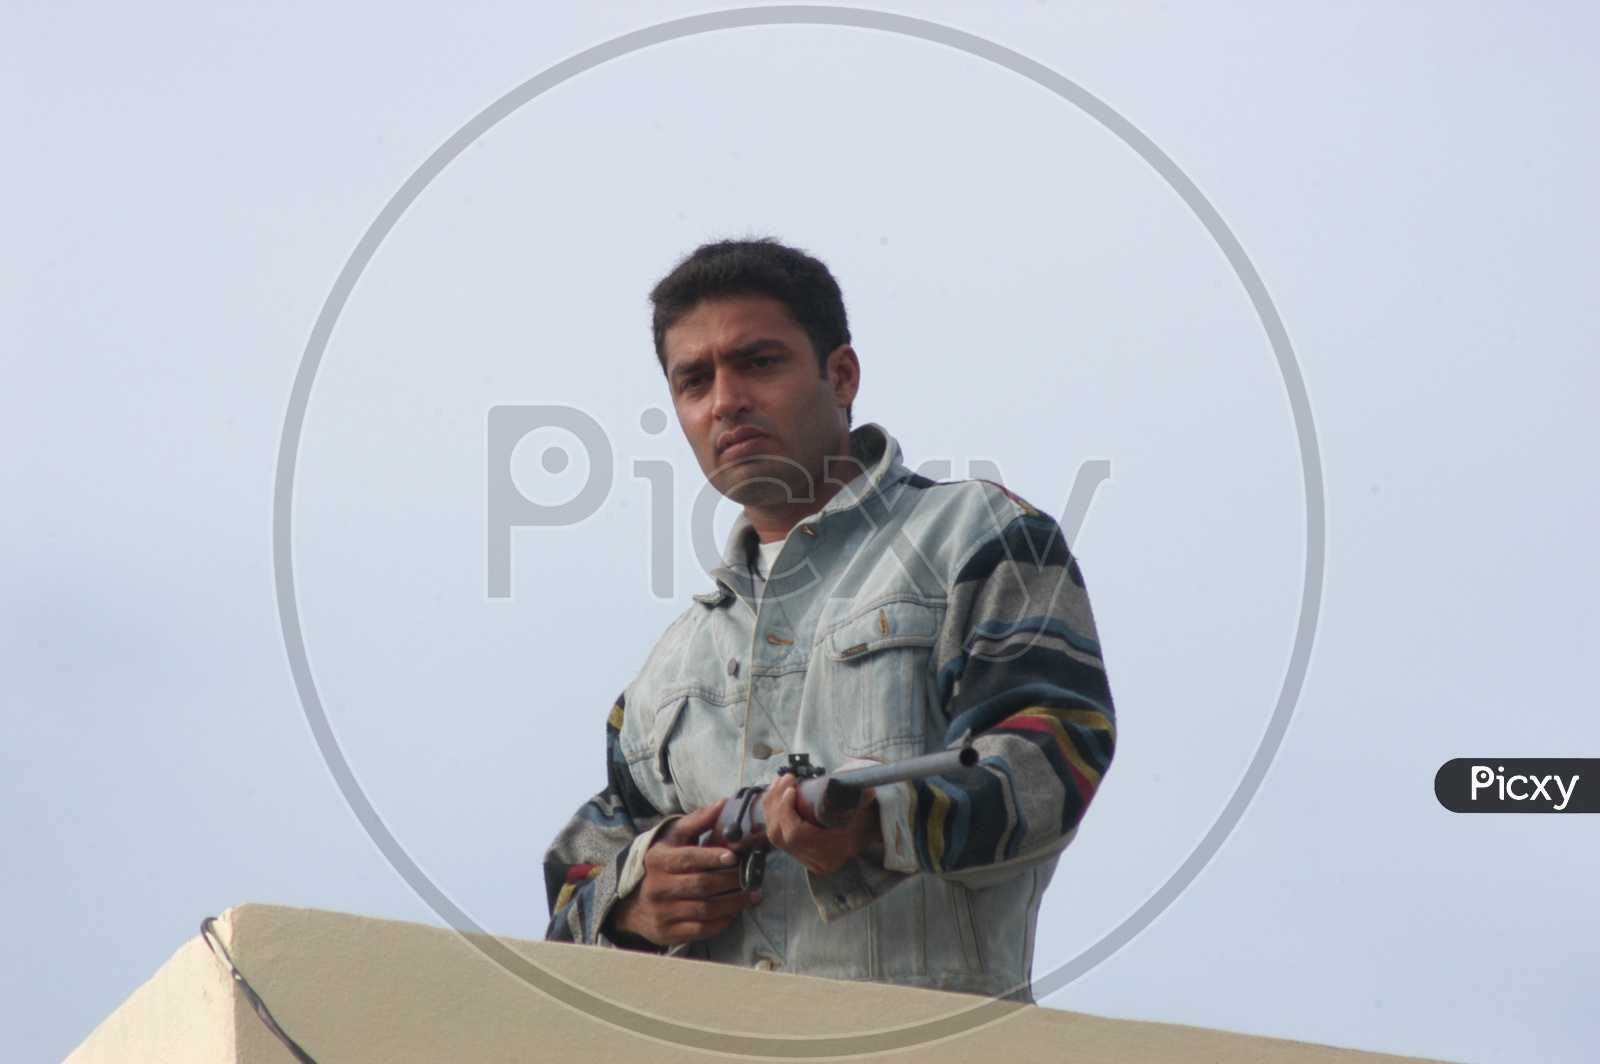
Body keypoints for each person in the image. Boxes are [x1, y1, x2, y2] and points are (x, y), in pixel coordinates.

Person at [544, 238, 1115, 999]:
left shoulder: (980, 538)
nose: (725, 401)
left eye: (759, 362)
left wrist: (878, 823)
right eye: (694, 380)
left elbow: (1058, 747)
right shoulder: (663, 678)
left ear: (841, 375)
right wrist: (632, 903)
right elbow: (575, 874)